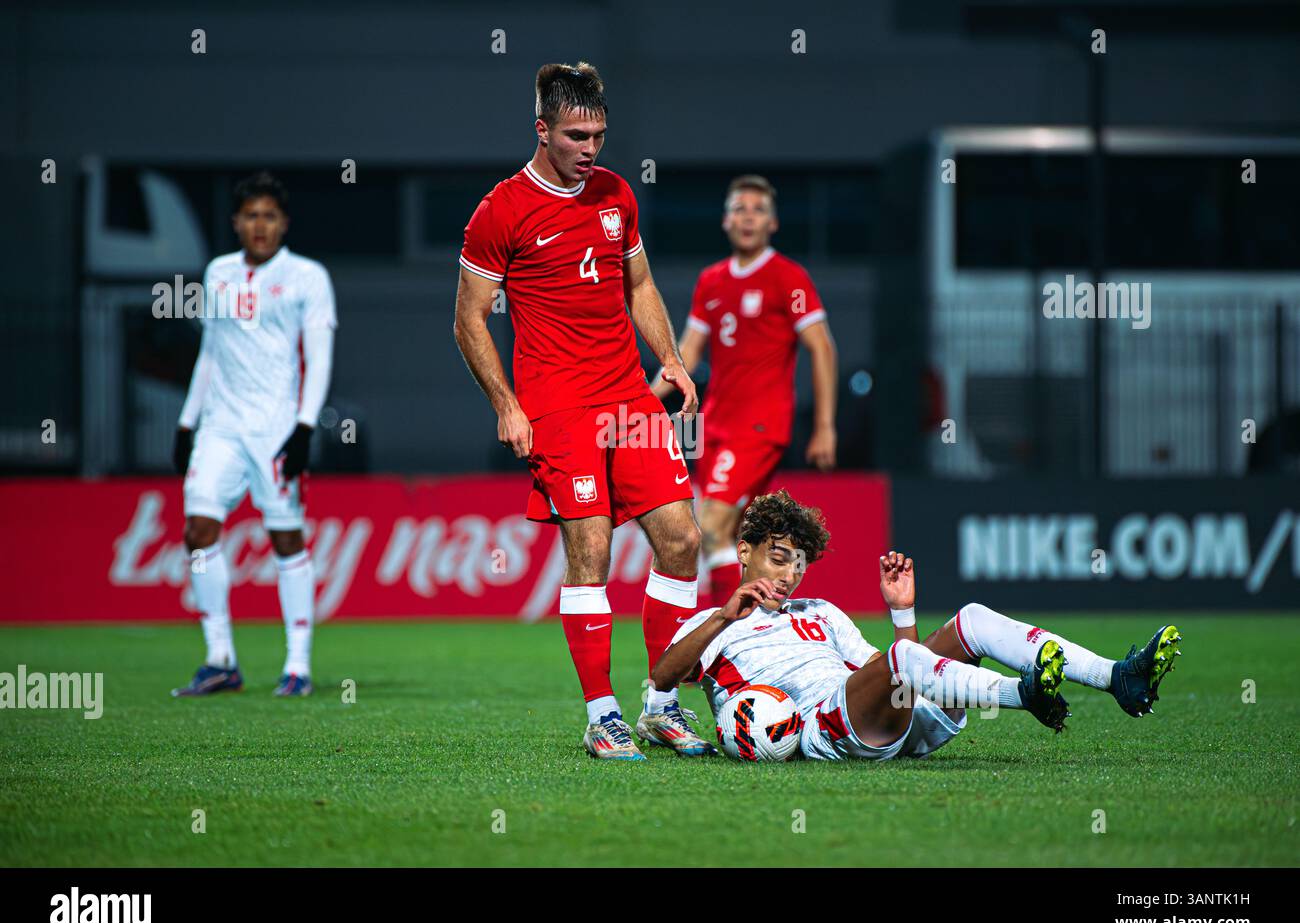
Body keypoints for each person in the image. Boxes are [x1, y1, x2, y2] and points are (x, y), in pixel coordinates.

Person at [454, 62, 712, 759]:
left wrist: (671, 357)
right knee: (590, 551)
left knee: (683, 540)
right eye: (575, 135)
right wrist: (506, 405)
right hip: (559, 407)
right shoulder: (500, 210)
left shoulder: (615, 194)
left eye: (598, 133)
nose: (589, 147)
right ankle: (602, 714)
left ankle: (661, 703)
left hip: (628, 396)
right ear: (542, 130)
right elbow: (469, 319)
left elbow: (641, 282)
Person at [651, 490, 1184, 761]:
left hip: (883, 716)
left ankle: (1118, 678)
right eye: (779, 558)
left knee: (971, 619)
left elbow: (900, 676)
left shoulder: (820, 613)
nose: (789, 574)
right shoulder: (713, 625)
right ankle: (1024, 695)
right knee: (902, 660)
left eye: (799, 563)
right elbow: (663, 677)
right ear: (744, 552)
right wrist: (724, 615)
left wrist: (902, 613)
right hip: (823, 729)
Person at [171, 171, 336, 698]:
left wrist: (305, 427)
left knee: (286, 539)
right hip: (221, 426)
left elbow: (319, 357)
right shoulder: (217, 273)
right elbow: (210, 353)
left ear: (283, 223)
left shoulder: (308, 277)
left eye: (269, 215)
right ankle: (219, 658)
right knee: (198, 531)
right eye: (250, 216)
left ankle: (298, 665)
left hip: (275, 428)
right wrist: (186, 420)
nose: (259, 225)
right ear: (236, 223)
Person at [651, 175, 837, 612]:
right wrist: (639, 399)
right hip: (714, 427)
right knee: (734, 536)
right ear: (725, 220)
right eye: (739, 209)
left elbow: (822, 347)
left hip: (758, 426)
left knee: (711, 526)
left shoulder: (787, 278)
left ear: (772, 223)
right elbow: (687, 357)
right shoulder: (711, 281)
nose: (747, 217)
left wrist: (825, 426)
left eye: (757, 210)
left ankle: (720, 639)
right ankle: (752, 635)